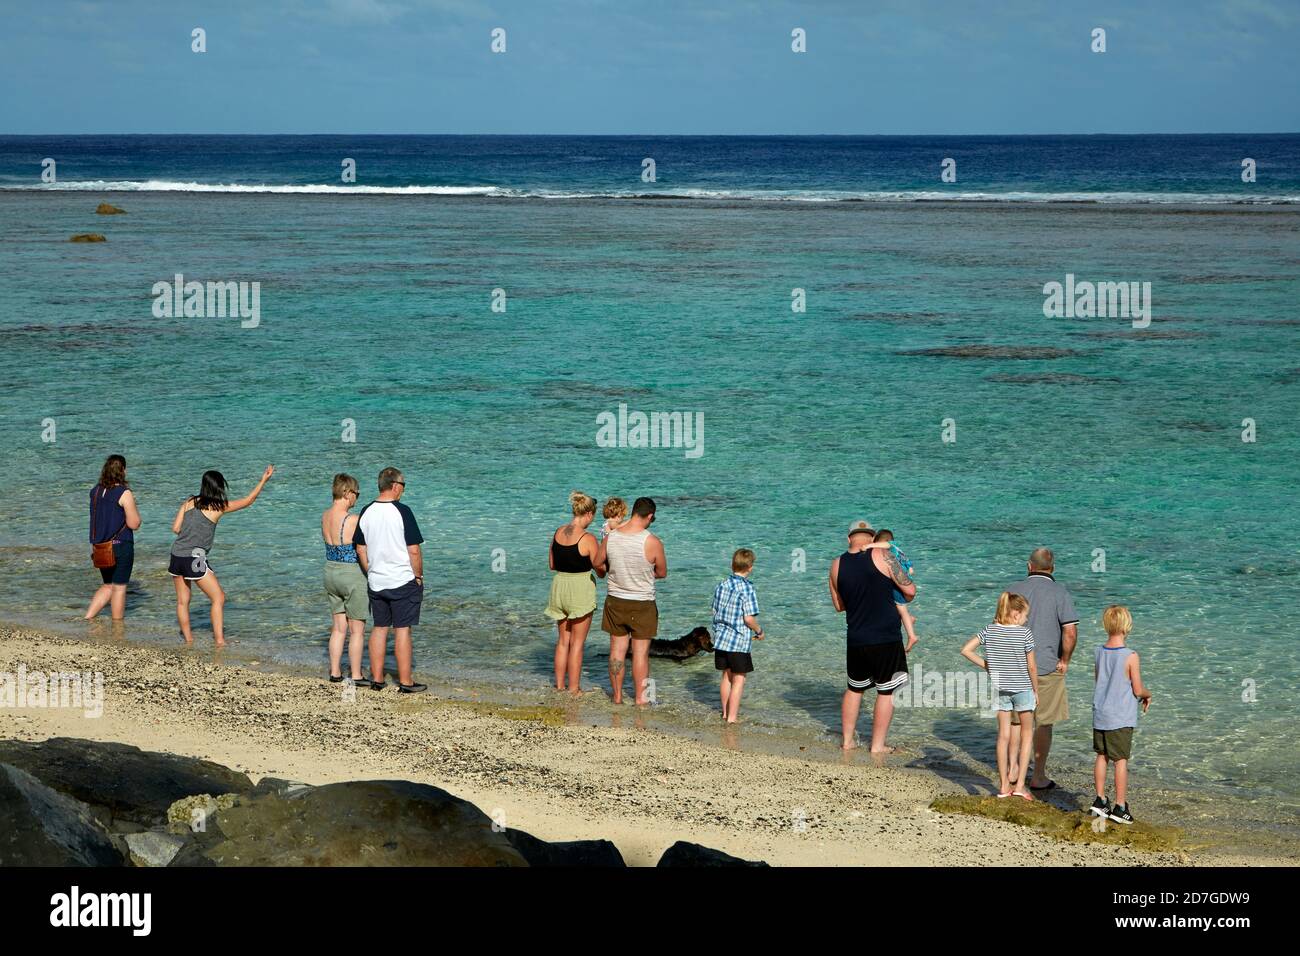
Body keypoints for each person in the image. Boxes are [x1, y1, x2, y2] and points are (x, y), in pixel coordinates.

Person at [829, 520, 916, 752]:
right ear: (873, 538)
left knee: (854, 688)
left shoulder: (836, 564)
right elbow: (910, 590)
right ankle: (877, 745)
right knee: (886, 691)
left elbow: (838, 605)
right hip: (885, 637)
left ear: (849, 539)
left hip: (856, 637)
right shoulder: (884, 556)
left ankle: (847, 741)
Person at [169, 466, 274, 646]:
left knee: (182, 601)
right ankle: (219, 641)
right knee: (218, 598)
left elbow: (176, 528)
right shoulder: (218, 506)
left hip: (176, 554)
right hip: (195, 557)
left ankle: (188, 640)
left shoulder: (189, 502)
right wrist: (263, 480)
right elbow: (249, 500)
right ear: (218, 487)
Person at [1006, 548, 1079, 792]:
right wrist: (1065, 660)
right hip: (1047, 665)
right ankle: (1037, 775)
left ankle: (1013, 769)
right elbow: (1070, 632)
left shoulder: (1012, 590)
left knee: (1016, 722)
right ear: (1053, 568)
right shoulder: (1060, 592)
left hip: (1014, 666)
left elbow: (1001, 627)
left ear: (1029, 566)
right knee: (1044, 723)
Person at [354, 467, 427, 694]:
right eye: (403, 486)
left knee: (380, 628)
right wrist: (418, 576)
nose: (403, 490)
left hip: (376, 580)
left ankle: (377, 679)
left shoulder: (366, 511)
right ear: (395, 486)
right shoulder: (402, 511)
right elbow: (413, 550)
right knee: (402, 630)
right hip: (401, 579)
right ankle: (405, 682)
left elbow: (360, 548)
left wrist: (370, 571)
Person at [961, 592, 1039, 799]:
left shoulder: (990, 630)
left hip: (1000, 689)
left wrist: (989, 667)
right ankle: (1020, 785)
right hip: (1023, 689)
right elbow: (1031, 666)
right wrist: (1036, 690)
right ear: (1015, 614)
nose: (1026, 619)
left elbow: (966, 650)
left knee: (1003, 736)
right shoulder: (1025, 634)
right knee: (1027, 735)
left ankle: (1003, 785)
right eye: (1025, 615)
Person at [596, 497, 667, 705]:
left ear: (633, 511)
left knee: (617, 651)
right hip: (642, 603)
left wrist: (613, 571)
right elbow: (661, 572)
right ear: (650, 516)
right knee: (640, 654)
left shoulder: (612, 537)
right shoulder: (652, 541)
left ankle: (617, 696)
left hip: (615, 600)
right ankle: (640, 700)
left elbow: (597, 562)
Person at [1091, 605, 1152, 825]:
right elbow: (1137, 689)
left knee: (1101, 756)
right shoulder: (1131, 656)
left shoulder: (1099, 651)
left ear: (1106, 626)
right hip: (1120, 717)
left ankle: (1099, 800)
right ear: (1127, 627)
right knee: (1120, 761)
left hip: (1100, 712)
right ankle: (1120, 805)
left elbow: (1099, 681)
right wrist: (1148, 694)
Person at [545, 491, 605, 694]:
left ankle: (560, 686)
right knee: (577, 644)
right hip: (579, 589)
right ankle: (574, 689)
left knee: (563, 642)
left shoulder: (558, 532)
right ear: (588, 514)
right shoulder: (587, 538)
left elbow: (552, 565)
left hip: (559, 586)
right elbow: (600, 570)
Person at [85, 454, 142, 621]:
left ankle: (88, 617)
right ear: (123, 471)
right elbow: (134, 524)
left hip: (101, 547)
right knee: (119, 588)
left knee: (108, 585)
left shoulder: (95, 491)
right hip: (120, 545)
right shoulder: (124, 493)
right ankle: (117, 626)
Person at [322, 473, 367, 683]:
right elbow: (361, 550)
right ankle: (356, 674)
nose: (357, 498)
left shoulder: (325, 516)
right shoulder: (353, 519)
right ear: (347, 493)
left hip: (330, 570)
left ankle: (334, 672)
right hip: (350, 573)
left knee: (339, 627)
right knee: (356, 629)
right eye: (356, 494)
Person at [711, 548, 762, 723]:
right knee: (739, 679)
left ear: (733, 564)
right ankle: (732, 718)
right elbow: (748, 618)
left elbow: (714, 610)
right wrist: (759, 631)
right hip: (738, 641)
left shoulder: (722, 584)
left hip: (721, 639)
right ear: (750, 567)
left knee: (726, 675)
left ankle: (725, 713)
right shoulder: (747, 588)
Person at [873, 529, 918, 653]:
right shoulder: (899, 550)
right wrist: (909, 571)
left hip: (899, 582)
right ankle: (909, 618)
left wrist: (869, 545)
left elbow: (886, 545)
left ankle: (912, 636)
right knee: (899, 607)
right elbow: (911, 567)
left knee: (901, 609)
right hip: (905, 579)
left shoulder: (889, 546)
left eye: (877, 544)